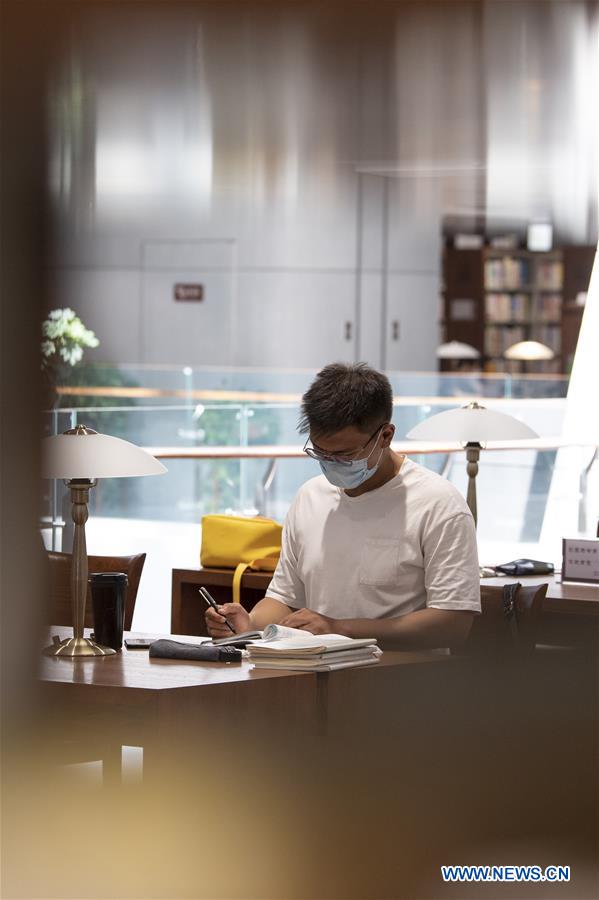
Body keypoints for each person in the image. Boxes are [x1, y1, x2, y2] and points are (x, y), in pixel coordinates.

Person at [206, 362, 480, 649]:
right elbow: (285, 600)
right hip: (312, 674)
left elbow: (453, 622)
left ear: (385, 436)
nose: (330, 464)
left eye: (345, 455)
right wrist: (249, 624)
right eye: (319, 452)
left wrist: (340, 629)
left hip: (399, 677)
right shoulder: (310, 498)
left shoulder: (439, 505)